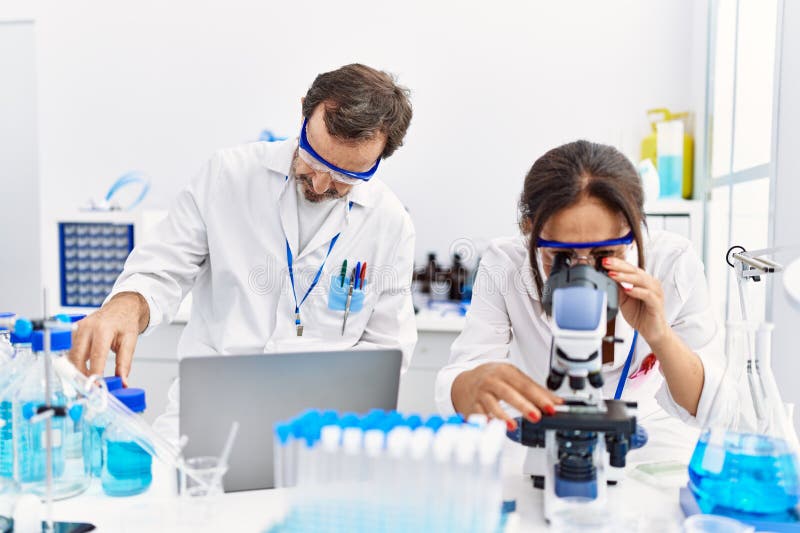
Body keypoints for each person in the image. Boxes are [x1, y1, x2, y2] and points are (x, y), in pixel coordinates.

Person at [69, 64, 417, 437]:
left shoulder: (389, 223)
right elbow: (162, 269)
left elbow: (386, 351)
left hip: (320, 430)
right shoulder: (227, 175)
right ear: (303, 112)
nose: (319, 183)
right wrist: (126, 305)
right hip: (209, 416)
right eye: (314, 158)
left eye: (346, 176)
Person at [436, 140, 739, 460]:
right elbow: (460, 380)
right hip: (541, 423)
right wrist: (471, 385)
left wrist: (660, 335)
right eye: (562, 255)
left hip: (648, 435)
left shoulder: (672, 262)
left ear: (634, 228)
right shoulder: (505, 264)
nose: (584, 272)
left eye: (605, 253)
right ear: (530, 231)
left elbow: (716, 410)